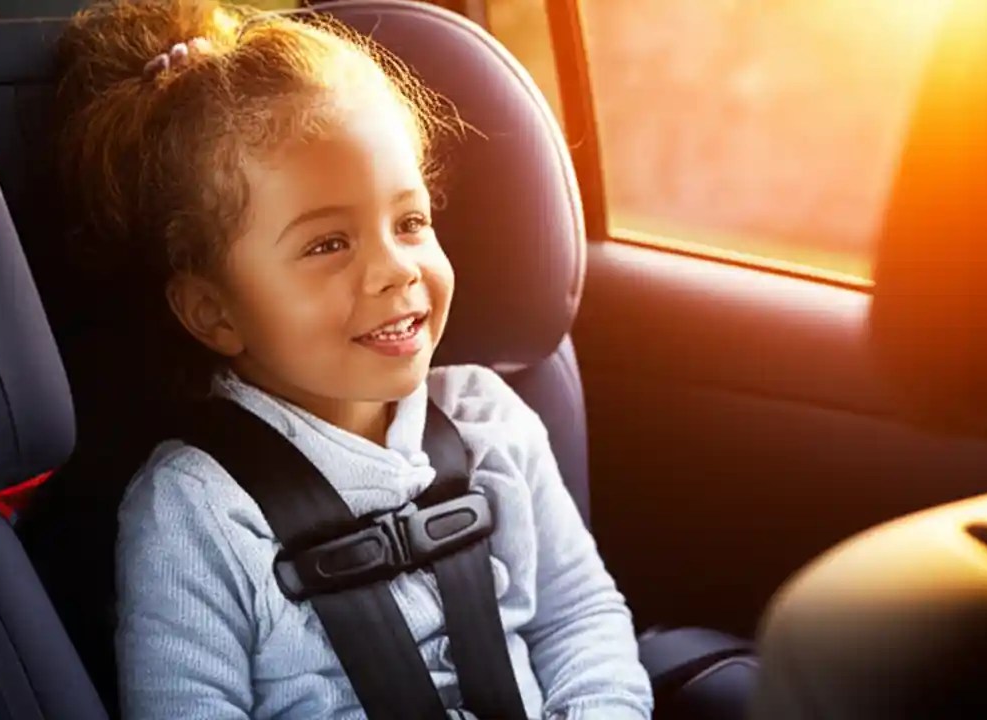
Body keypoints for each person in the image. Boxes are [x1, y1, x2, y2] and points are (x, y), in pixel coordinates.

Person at [50, 2, 652, 718]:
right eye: (328, 244)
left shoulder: (489, 423)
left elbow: (580, 620)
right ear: (214, 310)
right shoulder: (197, 508)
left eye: (410, 222)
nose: (395, 270)